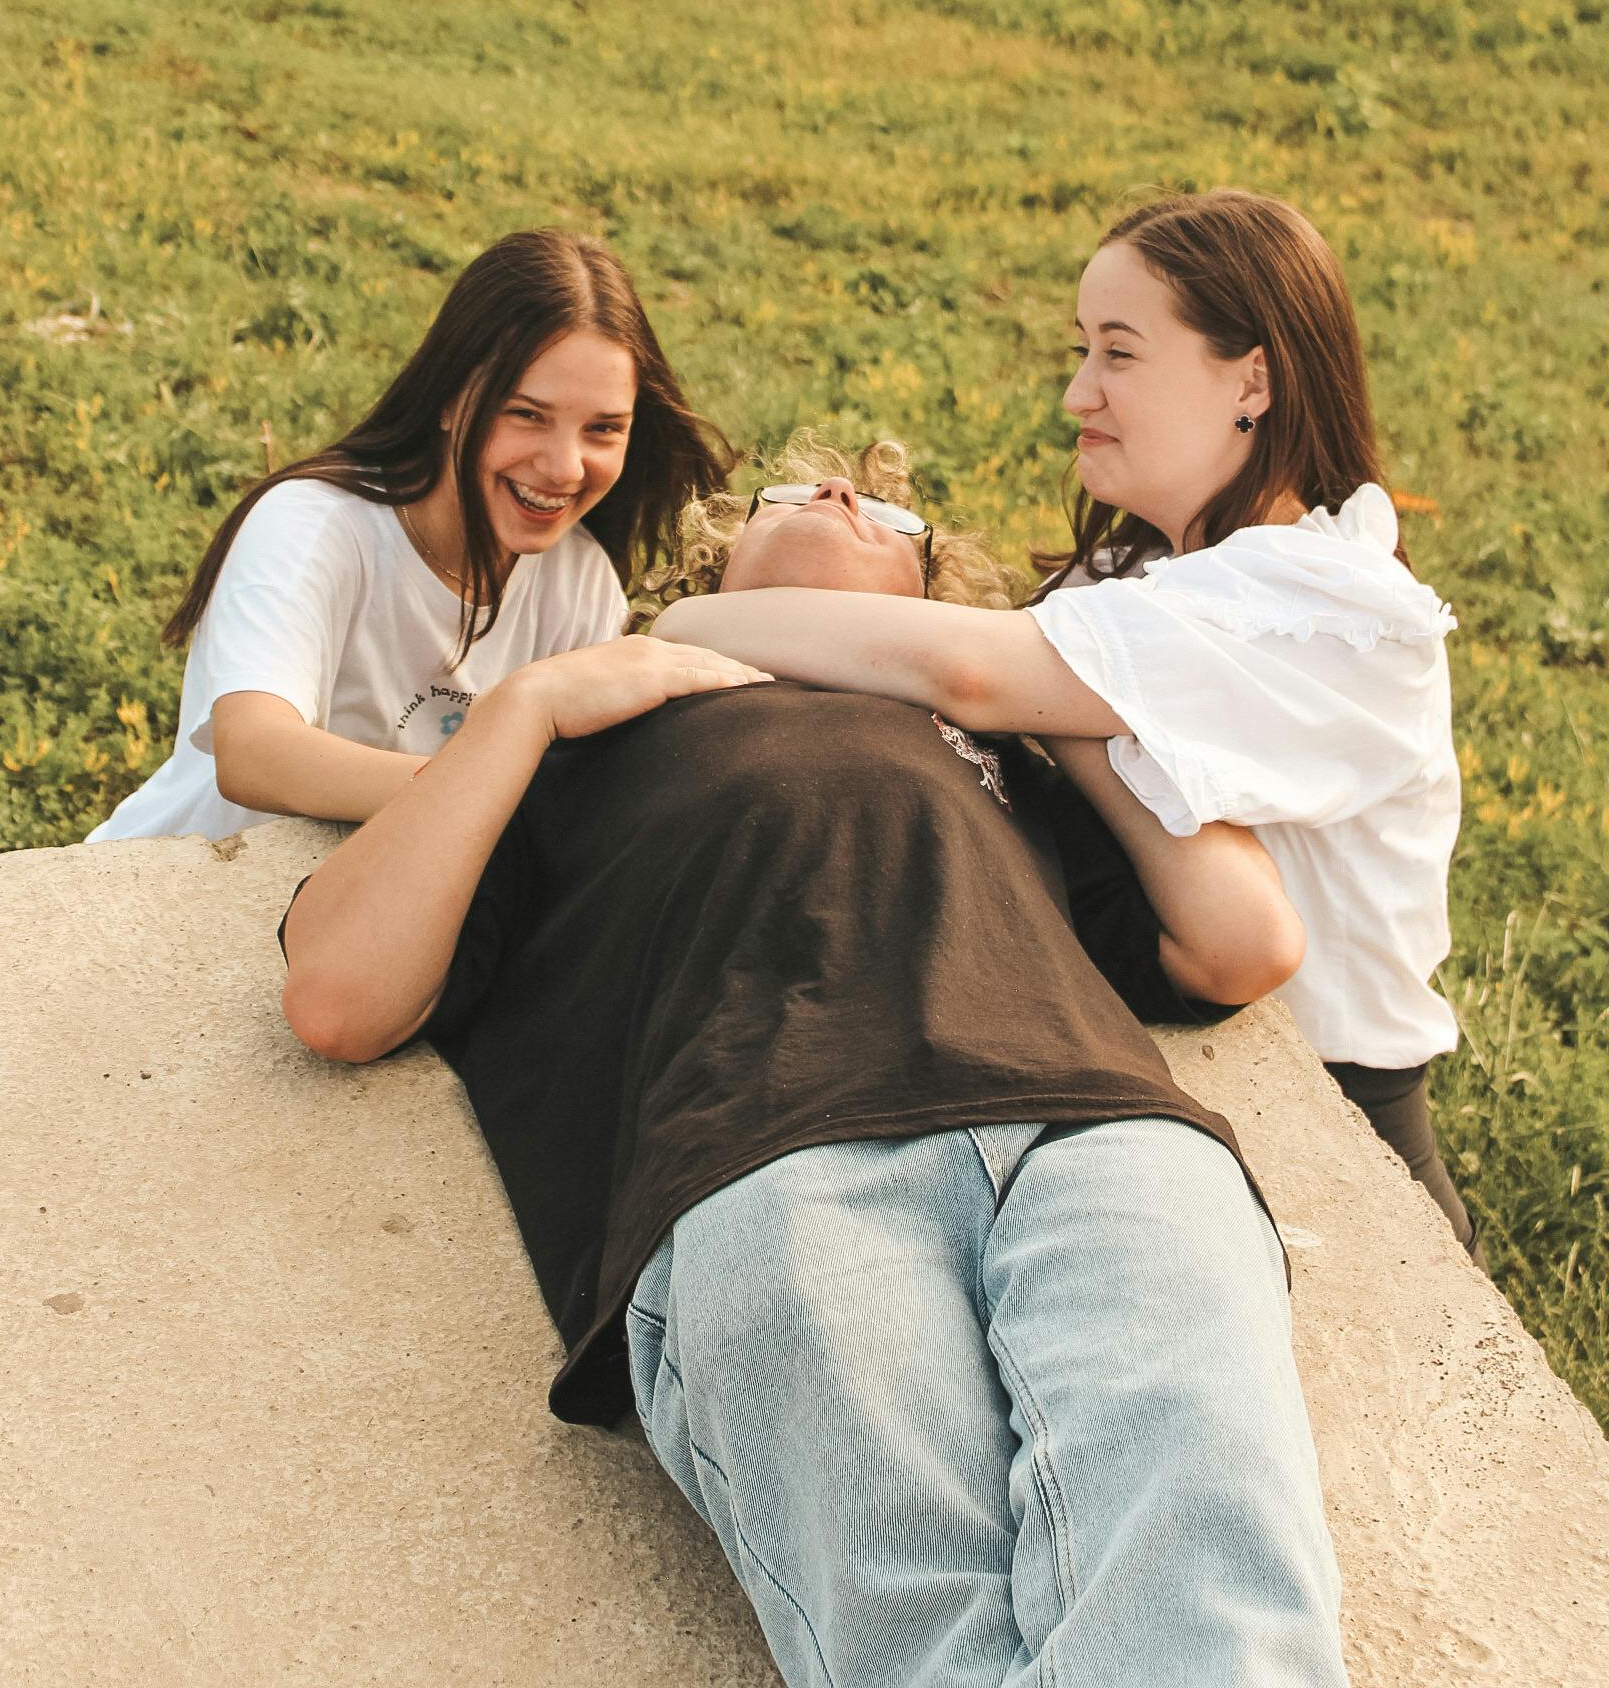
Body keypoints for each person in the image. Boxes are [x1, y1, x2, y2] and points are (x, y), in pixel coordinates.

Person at [279, 445, 1346, 1688]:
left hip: (1099, 1131)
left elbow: (1237, 944)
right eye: (800, 489)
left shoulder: (1000, 754)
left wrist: (1060, 697)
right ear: (716, 558)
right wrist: (527, 707)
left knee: (1220, 1591)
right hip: (771, 1159)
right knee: (923, 1634)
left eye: (895, 509)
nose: (845, 496)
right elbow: (339, 995)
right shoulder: (585, 740)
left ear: (935, 599)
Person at [656, 191, 1473, 1250]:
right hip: (1160, 1081)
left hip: (1336, 1127)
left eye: (1119, 355)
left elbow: (981, 678)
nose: (1076, 393)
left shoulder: (1324, 602)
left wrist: (691, 613)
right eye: (1080, 349)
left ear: (1253, 380)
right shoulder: (1149, 568)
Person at [88, 228, 738, 844]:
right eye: (527, 415)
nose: (566, 466)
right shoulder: (316, 526)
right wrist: (500, 791)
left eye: (603, 429)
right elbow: (254, 754)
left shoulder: (579, 581)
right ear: (451, 400)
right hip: (173, 893)